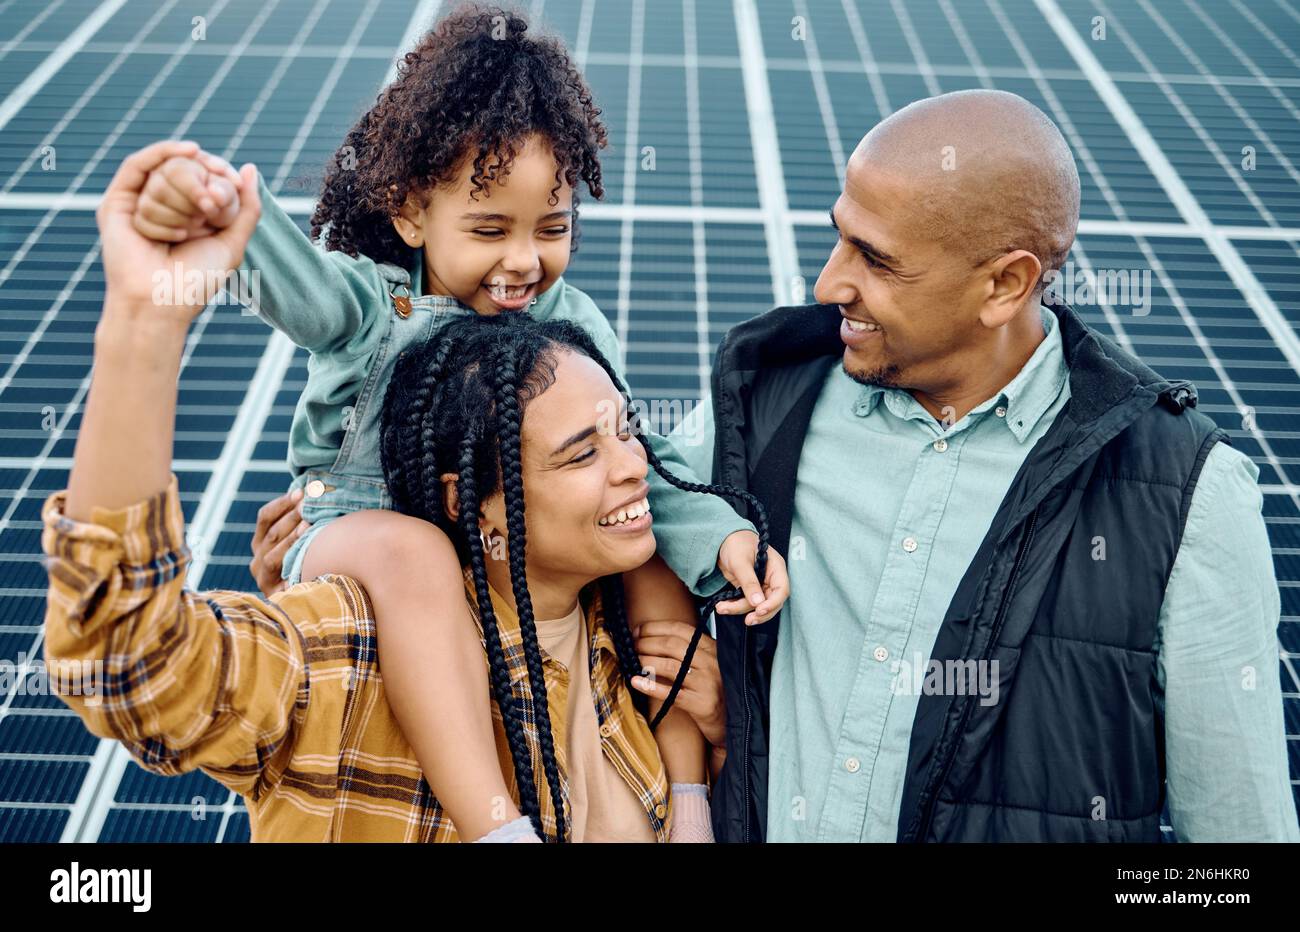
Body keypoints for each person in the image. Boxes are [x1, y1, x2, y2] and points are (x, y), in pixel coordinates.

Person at [128, 4, 787, 842]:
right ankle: (494, 822)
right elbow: (301, 291)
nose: (523, 261)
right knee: (416, 555)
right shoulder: (376, 305)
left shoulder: (567, 318)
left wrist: (722, 536)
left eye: (552, 229)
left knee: (646, 543)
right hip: (356, 530)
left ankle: (685, 798)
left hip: (505, 557)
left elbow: (636, 456)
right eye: (488, 230)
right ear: (410, 214)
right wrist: (234, 226)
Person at [675, 89, 1299, 842]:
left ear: (1004, 284)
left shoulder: (1187, 496)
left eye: (876, 260)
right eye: (840, 238)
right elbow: (609, 502)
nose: (829, 284)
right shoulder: (768, 398)